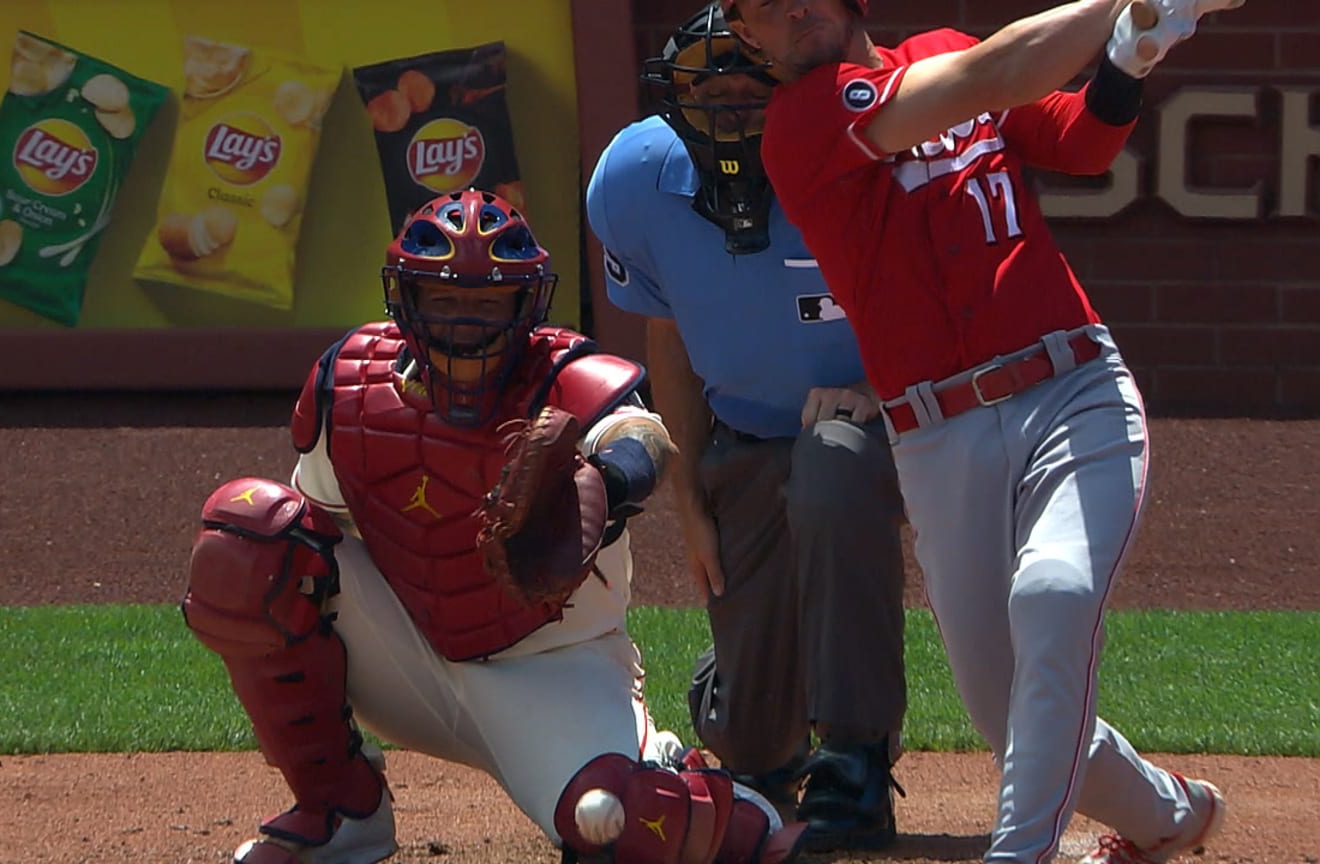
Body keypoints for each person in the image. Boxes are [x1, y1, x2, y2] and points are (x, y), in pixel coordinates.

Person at [720, 0, 1243, 861]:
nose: (788, 10)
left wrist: (1128, 58)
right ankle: (1170, 816)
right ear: (749, 39)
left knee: (1055, 594)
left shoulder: (939, 49)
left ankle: (1018, 852)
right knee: (1013, 721)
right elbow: (992, 75)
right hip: (935, 437)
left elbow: (1081, 139)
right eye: (761, 9)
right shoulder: (801, 121)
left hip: (1070, 387)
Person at [181, 188, 828, 864]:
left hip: (549, 671)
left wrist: (604, 482)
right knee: (248, 535)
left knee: (626, 827)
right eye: (446, 301)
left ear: (527, 306)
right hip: (406, 658)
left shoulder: (564, 373)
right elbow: (313, 533)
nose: (465, 323)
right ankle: (340, 811)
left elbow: (644, 436)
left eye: (487, 304)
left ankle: (677, 775)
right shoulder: (348, 386)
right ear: (406, 300)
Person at [586, 1, 908, 852]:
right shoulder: (631, 179)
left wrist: (882, 384)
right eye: (708, 90)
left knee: (833, 463)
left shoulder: (866, 148)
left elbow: (945, 284)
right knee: (754, 749)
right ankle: (730, 695)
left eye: (748, 86)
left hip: (892, 425)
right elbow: (670, 333)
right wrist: (689, 499)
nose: (729, 107)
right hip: (744, 442)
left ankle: (856, 758)